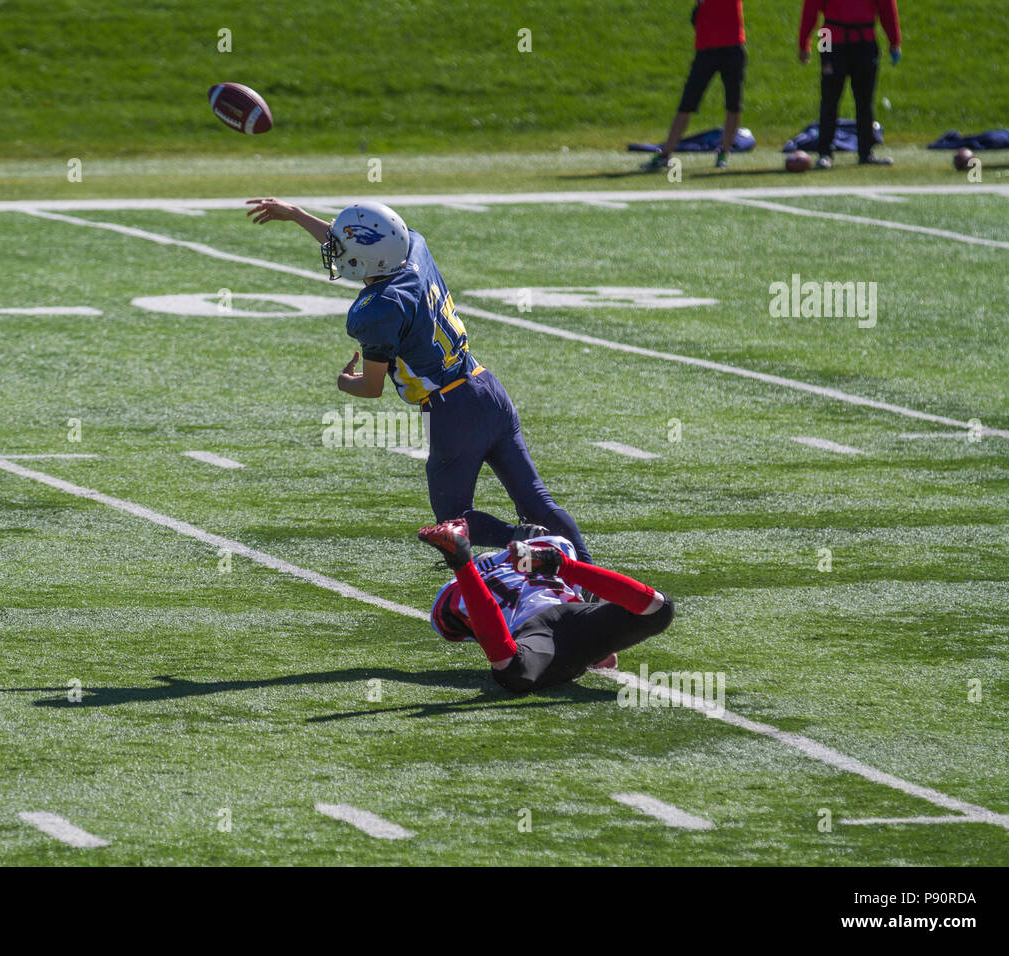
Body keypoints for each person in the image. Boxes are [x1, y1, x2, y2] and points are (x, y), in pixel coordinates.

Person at [246, 198, 592, 562]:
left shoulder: (378, 311)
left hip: (450, 410)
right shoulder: (414, 248)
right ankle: (589, 574)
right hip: (486, 386)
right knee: (537, 500)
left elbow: (372, 386)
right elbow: (361, 247)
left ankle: (521, 538)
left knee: (452, 521)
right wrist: (297, 215)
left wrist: (344, 380)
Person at [418, 518, 674, 696]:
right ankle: (560, 565)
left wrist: (468, 573)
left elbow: (471, 629)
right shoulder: (550, 546)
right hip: (569, 612)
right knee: (660, 609)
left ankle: (462, 563)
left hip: (534, 631)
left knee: (513, 671)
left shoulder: (449, 597)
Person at [643, 0, 748, 172]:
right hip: (706, 50)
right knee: (687, 104)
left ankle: (724, 152)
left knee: (733, 104)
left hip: (732, 47)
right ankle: (666, 154)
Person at [798, 0, 901, 168]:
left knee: (864, 100)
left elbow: (887, 8)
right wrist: (804, 43)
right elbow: (811, 7)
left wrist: (894, 40)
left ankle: (866, 152)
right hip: (829, 37)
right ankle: (825, 152)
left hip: (864, 37)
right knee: (830, 97)